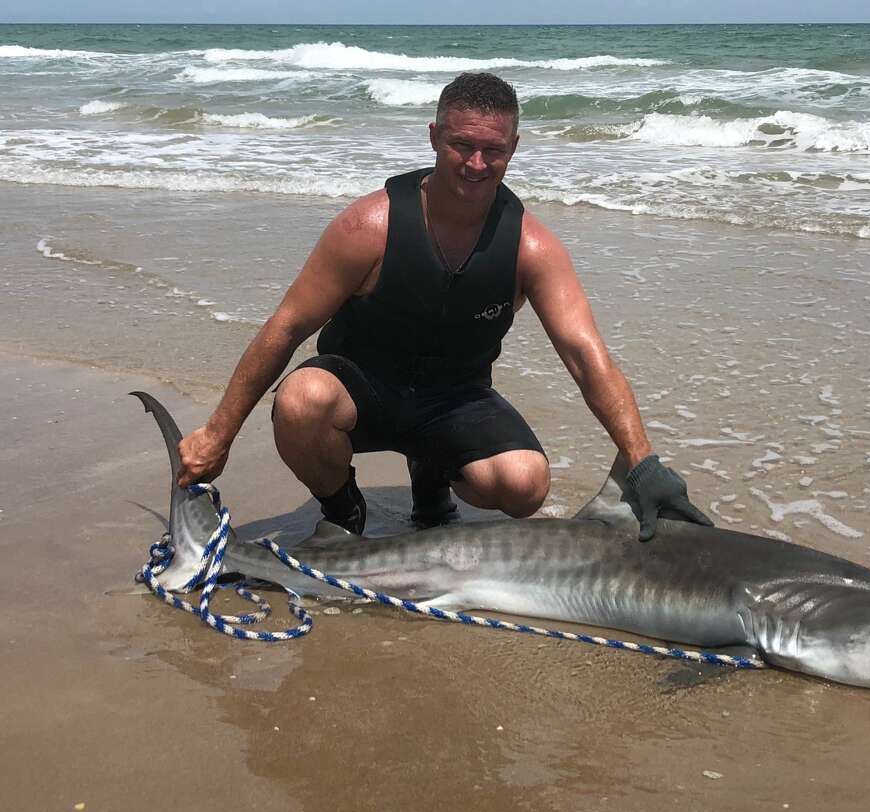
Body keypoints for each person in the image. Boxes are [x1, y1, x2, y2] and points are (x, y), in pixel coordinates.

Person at [176, 72, 711, 541]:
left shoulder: (530, 247)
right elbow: (287, 326)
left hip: (454, 400)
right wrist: (217, 436)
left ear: (514, 147)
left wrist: (641, 462)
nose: (476, 164)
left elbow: (584, 355)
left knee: (526, 486)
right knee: (300, 402)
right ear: (434, 137)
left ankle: (431, 475)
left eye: (494, 150)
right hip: (360, 388)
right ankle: (344, 508)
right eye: (461, 145)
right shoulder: (371, 226)